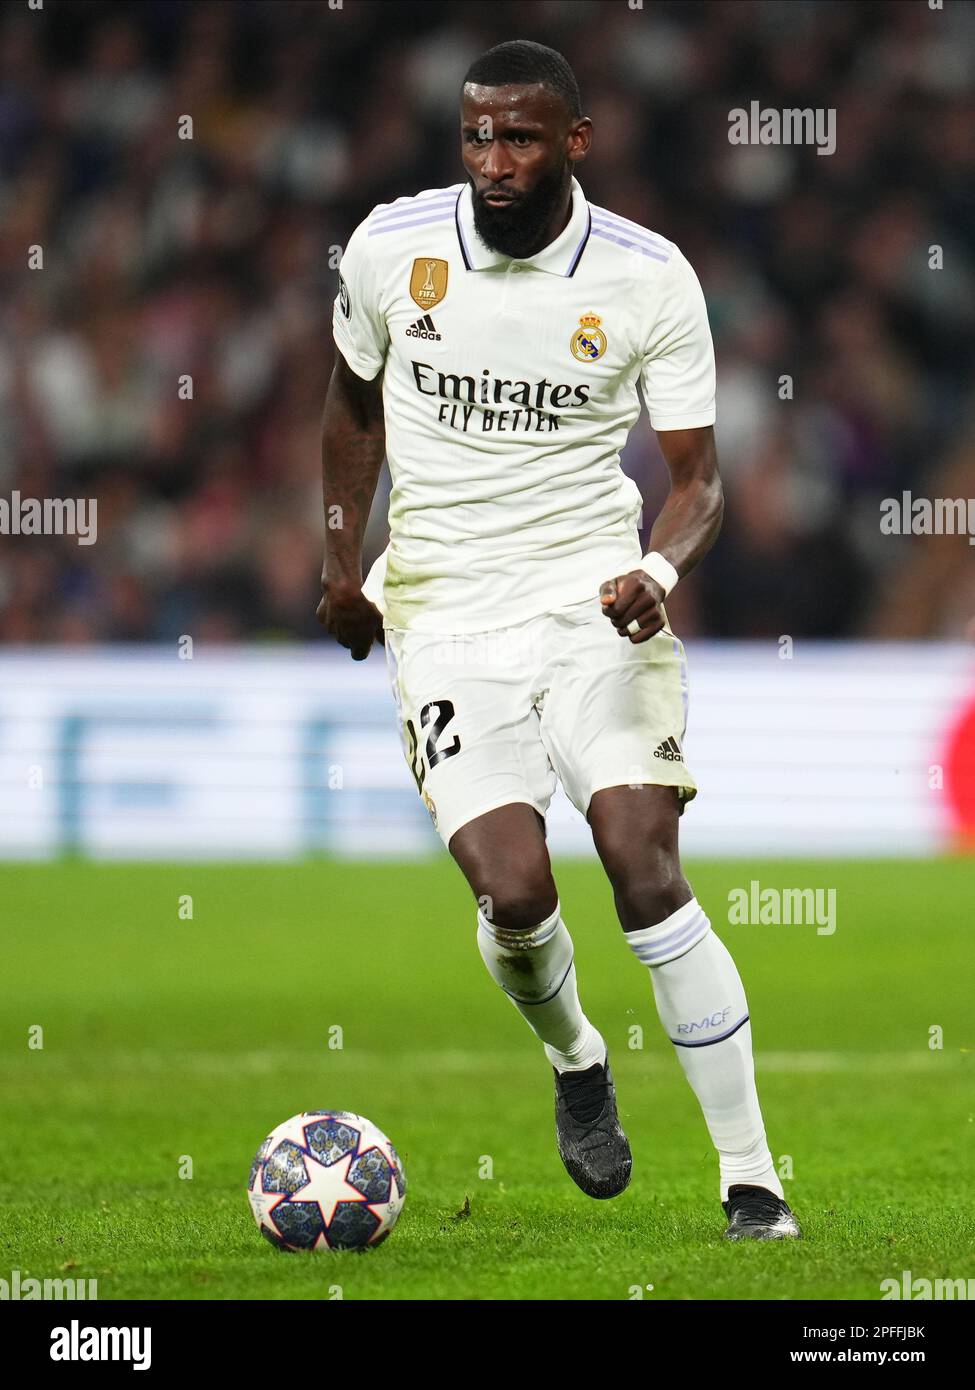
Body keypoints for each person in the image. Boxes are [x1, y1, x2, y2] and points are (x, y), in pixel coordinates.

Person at [318, 39, 799, 1240]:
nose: (493, 160)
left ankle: (753, 1179)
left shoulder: (647, 277)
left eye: (520, 136)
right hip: (443, 608)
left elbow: (698, 484)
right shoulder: (391, 249)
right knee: (515, 890)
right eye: (476, 135)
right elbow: (352, 403)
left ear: (574, 142)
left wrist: (655, 566)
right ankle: (577, 1055)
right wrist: (338, 561)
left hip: (592, 601)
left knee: (643, 863)